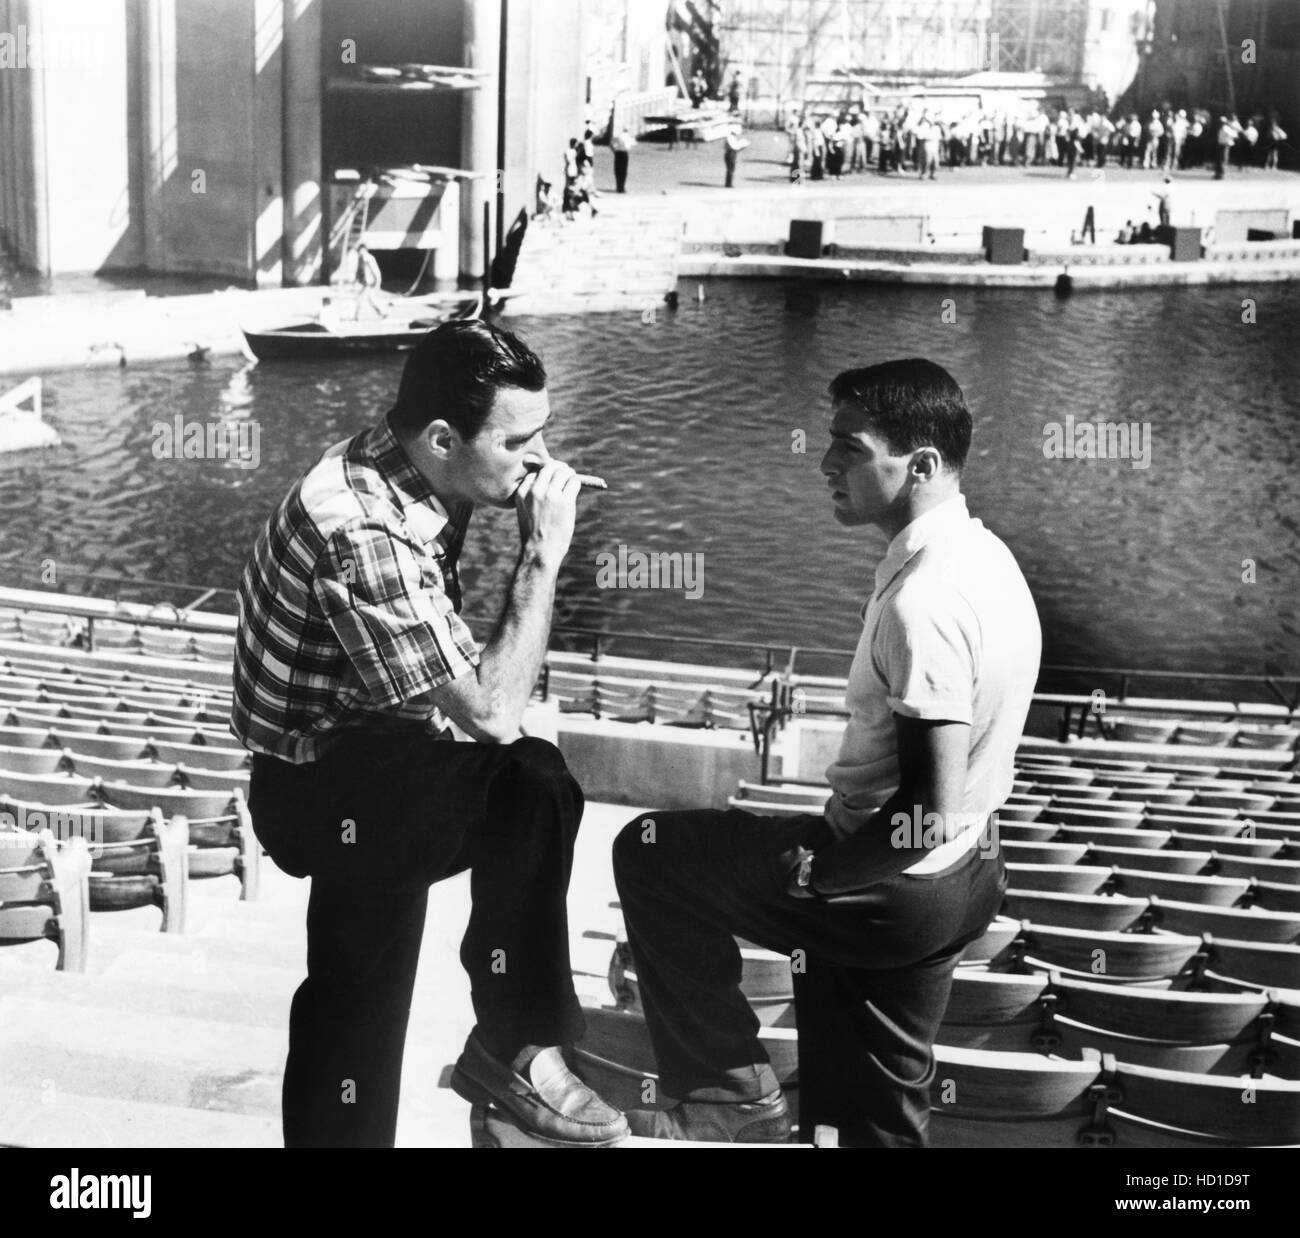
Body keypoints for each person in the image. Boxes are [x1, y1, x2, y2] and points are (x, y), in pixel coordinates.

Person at [613, 358, 1042, 1146]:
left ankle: (727, 1099)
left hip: (887, 884)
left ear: (919, 466)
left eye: (848, 447)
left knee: (648, 852)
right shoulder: (988, 558)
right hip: (967, 879)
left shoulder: (926, 600)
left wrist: (824, 875)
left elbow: (928, 811)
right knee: (866, 1122)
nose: (824, 463)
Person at [233, 320, 628, 1149]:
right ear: (444, 437)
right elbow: (492, 714)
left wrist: (503, 473)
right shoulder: (365, 529)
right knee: (532, 782)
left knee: (353, 998)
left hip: (367, 747)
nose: (542, 458)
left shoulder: (406, 458)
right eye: (520, 440)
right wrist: (540, 558)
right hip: (318, 787)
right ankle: (513, 1042)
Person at [354, 243, 387, 319]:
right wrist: (356, 279)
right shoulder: (361, 258)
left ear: (364, 250)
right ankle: (383, 312)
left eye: (361, 250)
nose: (360, 251)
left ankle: (357, 316)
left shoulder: (368, 258)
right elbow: (359, 270)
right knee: (369, 299)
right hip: (364, 282)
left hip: (370, 282)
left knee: (362, 299)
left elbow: (375, 270)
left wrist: (377, 281)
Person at [611, 124, 634, 193]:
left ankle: (618, 186)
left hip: (617, 153)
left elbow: (611, 143)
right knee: (623, 171)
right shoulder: (628, 137)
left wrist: (614, 150)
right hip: (624, 153)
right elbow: (629, 147)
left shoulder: (619, 136)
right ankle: (622, 187)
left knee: (617, 170)